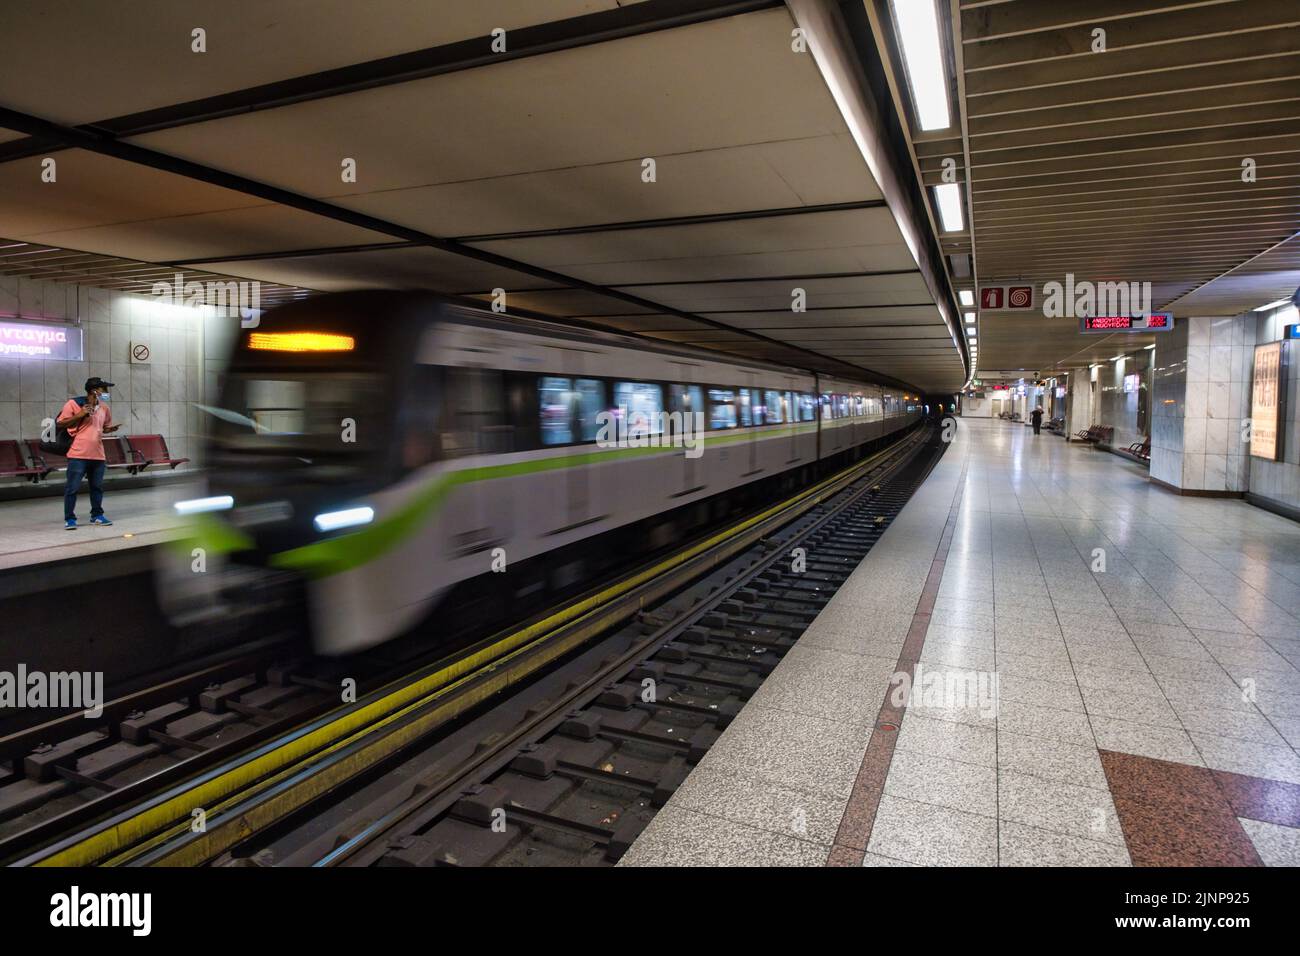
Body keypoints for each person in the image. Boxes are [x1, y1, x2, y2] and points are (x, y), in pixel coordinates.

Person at [57, 376, 121, 529]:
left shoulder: (104, 407)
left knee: (97, 487)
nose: (106, 392)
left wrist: (109, 429)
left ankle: (97, 515)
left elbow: (102, 427)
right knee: (72, 488)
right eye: (103, 389)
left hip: (98, 455)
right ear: (94, 390)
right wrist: (80, 414)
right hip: (78, 454)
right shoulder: (73, 404)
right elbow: (60, 423)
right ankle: (69, 518)